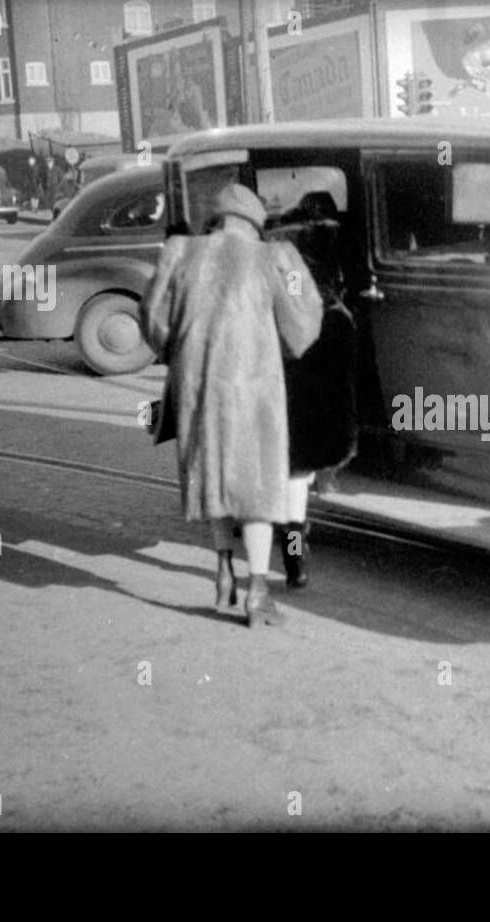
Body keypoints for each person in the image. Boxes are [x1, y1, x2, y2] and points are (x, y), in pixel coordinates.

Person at [140, 183, 322, 626]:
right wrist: (276, 345)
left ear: (217, 219)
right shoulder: (275, 258)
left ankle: (223, 569)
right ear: (256, 223)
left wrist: (181, 352)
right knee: (255, 489)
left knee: (213, 478)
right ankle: (257, 592)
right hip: (253, 390)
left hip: (199, 387)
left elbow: (152, 318)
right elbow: (304, 318)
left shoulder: (180, 253)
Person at [273, 192, 359, 589]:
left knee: (290, 483)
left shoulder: (281, 290)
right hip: (314, 418)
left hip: (279, 409)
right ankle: (294, 557)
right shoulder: (337, 316)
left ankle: (292, 553)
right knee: (298, 484)